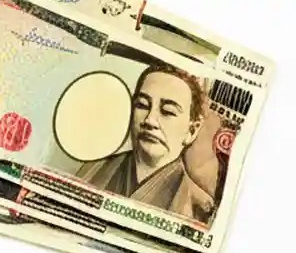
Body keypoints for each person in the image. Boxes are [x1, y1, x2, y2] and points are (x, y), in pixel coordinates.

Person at [76, 62, 216, 222]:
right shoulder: (93, 169)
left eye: (168, 112)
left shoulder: (200, 207)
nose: (150, 120)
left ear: (192, 131)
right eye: (142, 105)